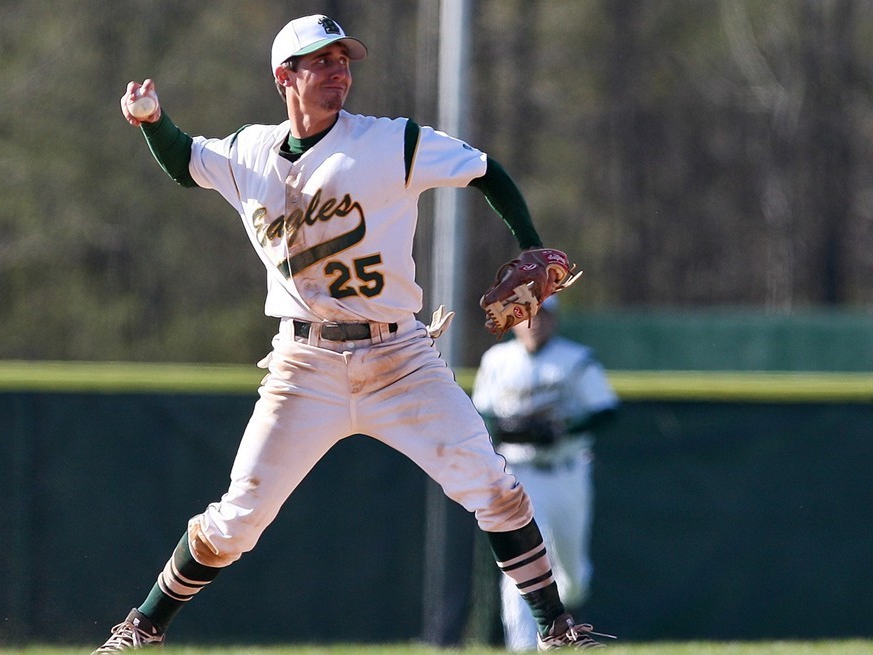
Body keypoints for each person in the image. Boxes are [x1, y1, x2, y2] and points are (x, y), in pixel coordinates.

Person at [95, 14, 608, 652]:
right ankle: (141, 629)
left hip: (400, 357)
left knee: (493, 486)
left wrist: (532, 244)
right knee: (238, 521)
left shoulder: (390, 142)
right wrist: (151, 122)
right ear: (285, 76)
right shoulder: (249, 152)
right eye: (323, 61)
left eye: (345, 61)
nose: (340, 72)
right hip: (302, 365)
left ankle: (558, 631)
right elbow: (185, 162)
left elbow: (485, 171)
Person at [472, 296, 619, 651]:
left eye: (543, 315)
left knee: (572, 575)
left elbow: (605, 410)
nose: (534, 322)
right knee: (521, 567)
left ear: (554, 320)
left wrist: (563, 428)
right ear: (514, 320)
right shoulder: (497, 360)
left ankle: (563, 609)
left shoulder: (576, 359)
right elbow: (482, 414)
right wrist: (507, 428)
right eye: (526, 315)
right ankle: (522, 646)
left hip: (566, 471)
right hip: (519, 474)